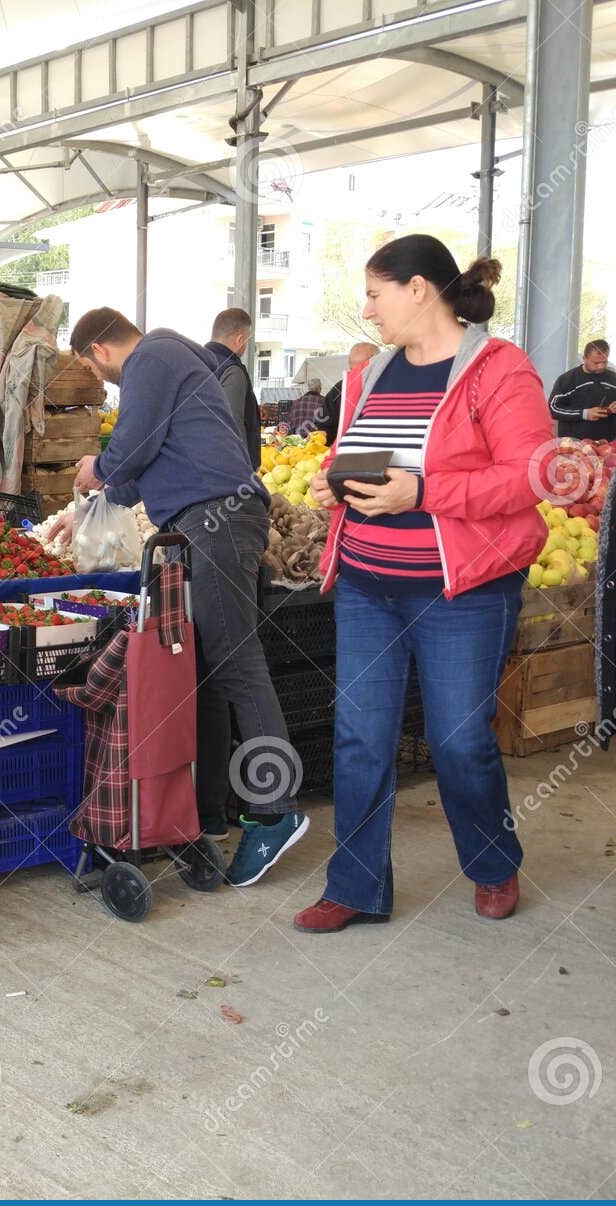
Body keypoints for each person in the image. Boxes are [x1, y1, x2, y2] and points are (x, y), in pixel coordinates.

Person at [298, 234, 551, 933]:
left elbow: (530, 473)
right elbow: (364, 460)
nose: (369, 310)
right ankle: (355, 886)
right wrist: (337, 485)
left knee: (459, 740)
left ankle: (494, 861)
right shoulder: (371, 374)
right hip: (365, 586)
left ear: (418, 290)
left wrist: (424, 491)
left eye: (376, 293)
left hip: (461, 593)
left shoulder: (498, 370)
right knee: (359, 739)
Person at [69, 307, 310, 883]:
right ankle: (209, 813)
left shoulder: (151, 357)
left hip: (216, 522)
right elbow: (136, 471)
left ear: (99, 350)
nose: (100, 381)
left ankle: (275, 812)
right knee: (205, 667)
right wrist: (93, 497)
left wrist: (95, 468)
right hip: (206, 523)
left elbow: (124, 454)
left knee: (238, 664)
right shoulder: (172, 361)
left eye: (90, 368)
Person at [206, 308, 261, 469]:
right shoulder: (232, 370)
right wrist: (241, 472)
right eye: (247, 341)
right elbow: (232, 424)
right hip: (226, 471)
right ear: (239, 339)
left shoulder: (194, 361)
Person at [547, 339, 616, 437]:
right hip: (573, 444)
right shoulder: (568, 379)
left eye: (604, 362)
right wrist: (584, 414)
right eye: (596, 363)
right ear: (585, 358)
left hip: (607, 444)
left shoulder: (613, 378)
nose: (601, 366)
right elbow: (552, 409)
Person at [318, 341, 379, 444]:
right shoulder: (339, 390)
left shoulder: (389, 386)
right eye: (352, 369)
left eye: (362, 370)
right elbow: (324, 426)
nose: (356, 376)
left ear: (378, 364)